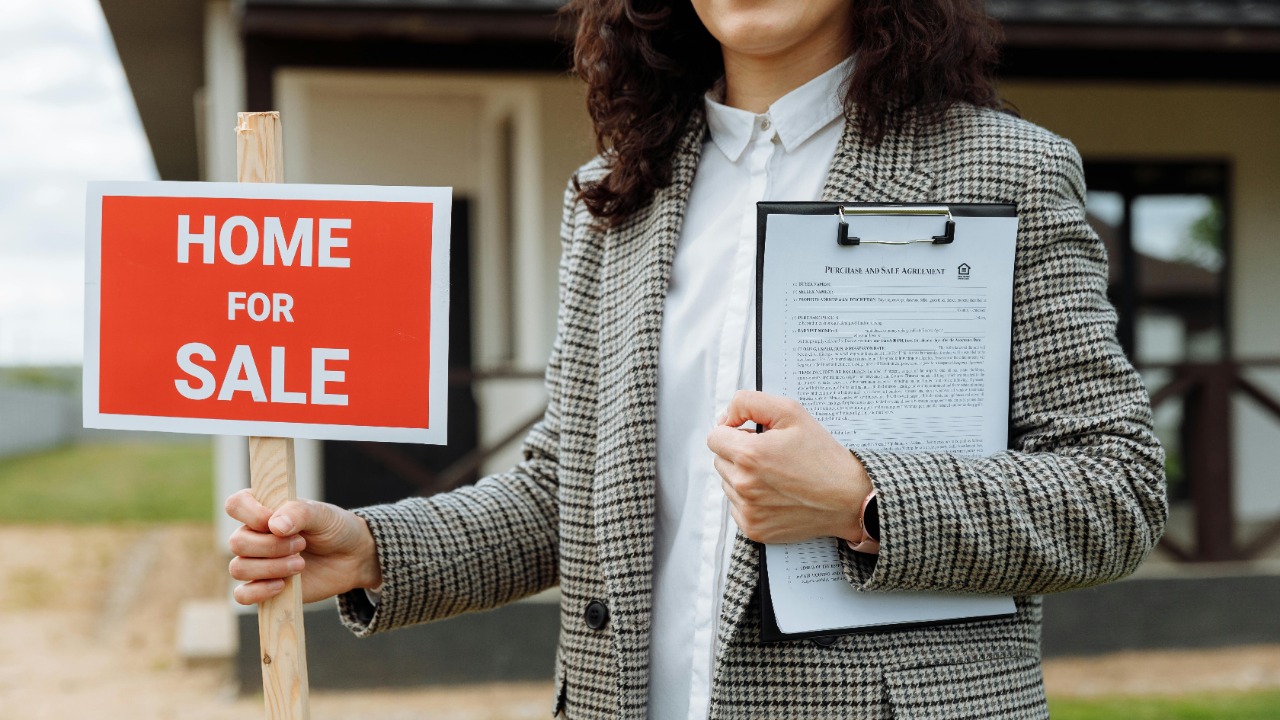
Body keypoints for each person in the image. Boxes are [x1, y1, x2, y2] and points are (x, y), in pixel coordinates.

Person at [225, 1, 1168, 717]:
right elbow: (571, 490)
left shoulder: (1002, 171)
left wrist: (861, 499)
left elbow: (1115, 490)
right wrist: (375, 549)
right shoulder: (612, 194)